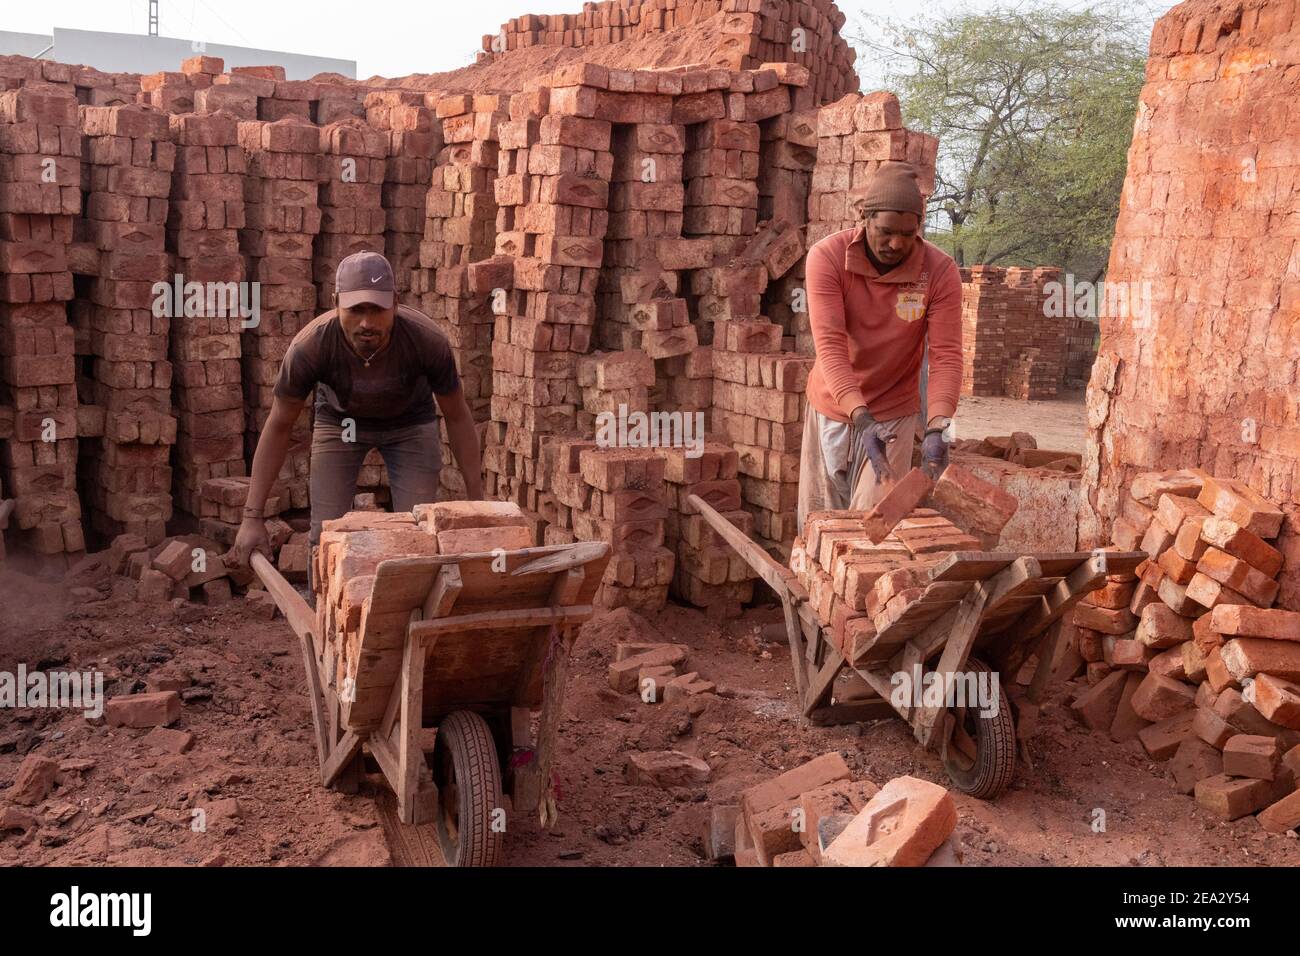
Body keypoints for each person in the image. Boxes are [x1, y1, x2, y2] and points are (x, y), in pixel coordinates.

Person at [227, 251, 483, 569]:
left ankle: (405, 616)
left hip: (410, 426)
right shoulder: (311, 347)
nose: (366, 322)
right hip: (340, 424)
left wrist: (478, 504)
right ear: (336, 303)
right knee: (324, 536)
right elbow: (280, 426)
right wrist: (252, 518)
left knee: (419, 536)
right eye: (355, 309)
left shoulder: (426, 341)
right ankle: (324, 615)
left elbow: (457, 416)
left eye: (377, 309)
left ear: (395, 303)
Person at [797, 162, 963, 532]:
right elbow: (831, 345)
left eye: (909, 232)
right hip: (833, 407)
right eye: (886, 231)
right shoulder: (827, 257)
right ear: (864, 218)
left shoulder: (939, 271)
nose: (897, 244)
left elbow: (947, 357)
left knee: (872, 527)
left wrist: (937, 427)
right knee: (821, 524)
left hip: (894, 413)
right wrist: (860, 416)